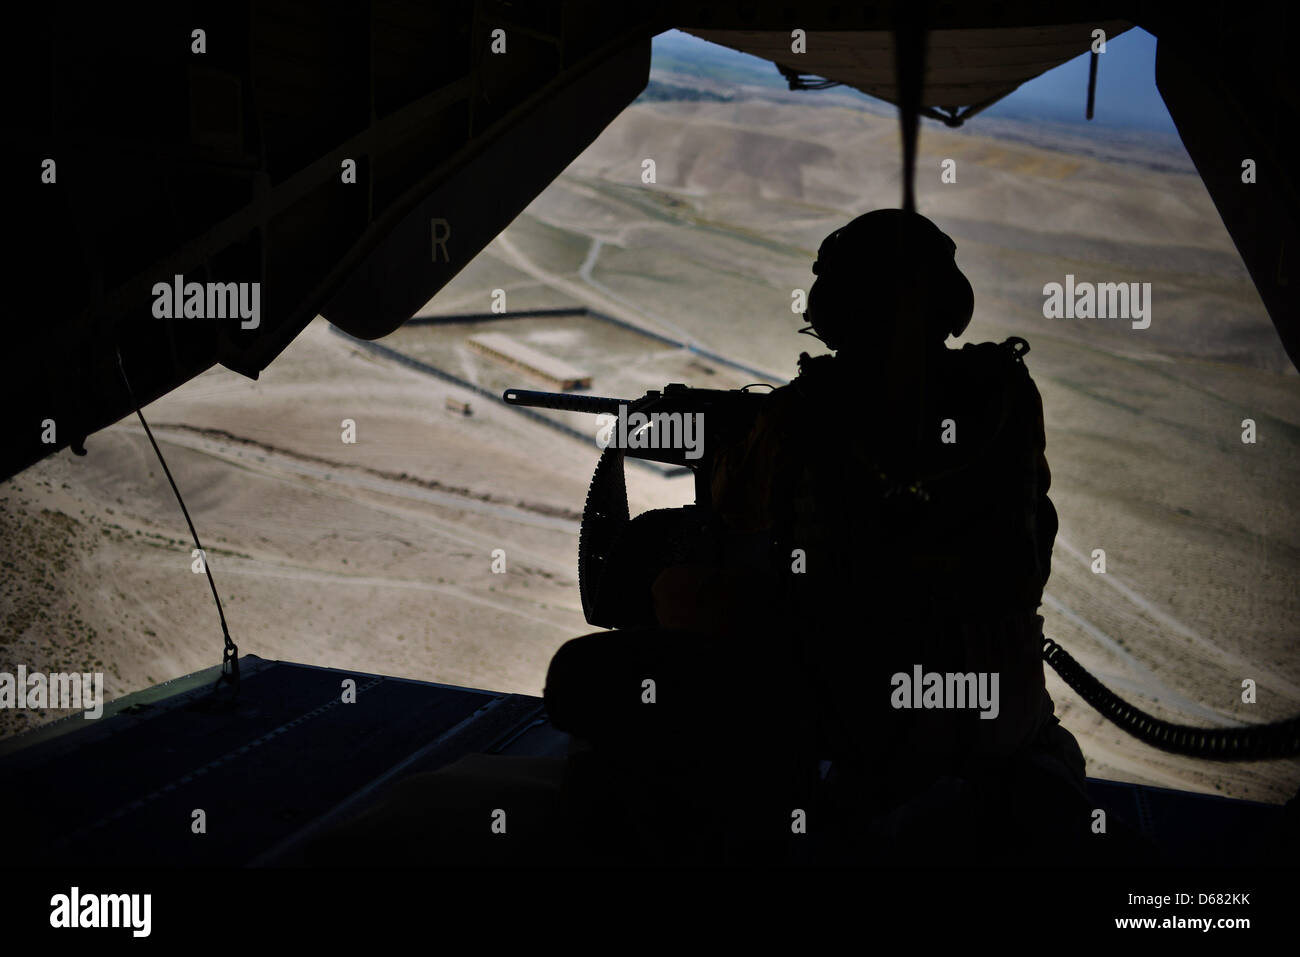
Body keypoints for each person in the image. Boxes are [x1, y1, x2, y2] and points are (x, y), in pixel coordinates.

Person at [546, 209, 1102, 864]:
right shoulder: (1008, 394)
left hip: (867, 711)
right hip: (1002, 704)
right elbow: (1031, 532)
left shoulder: (805, 412)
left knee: (595, 661)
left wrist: (724, 436)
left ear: (835, 308)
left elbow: (733, 512)